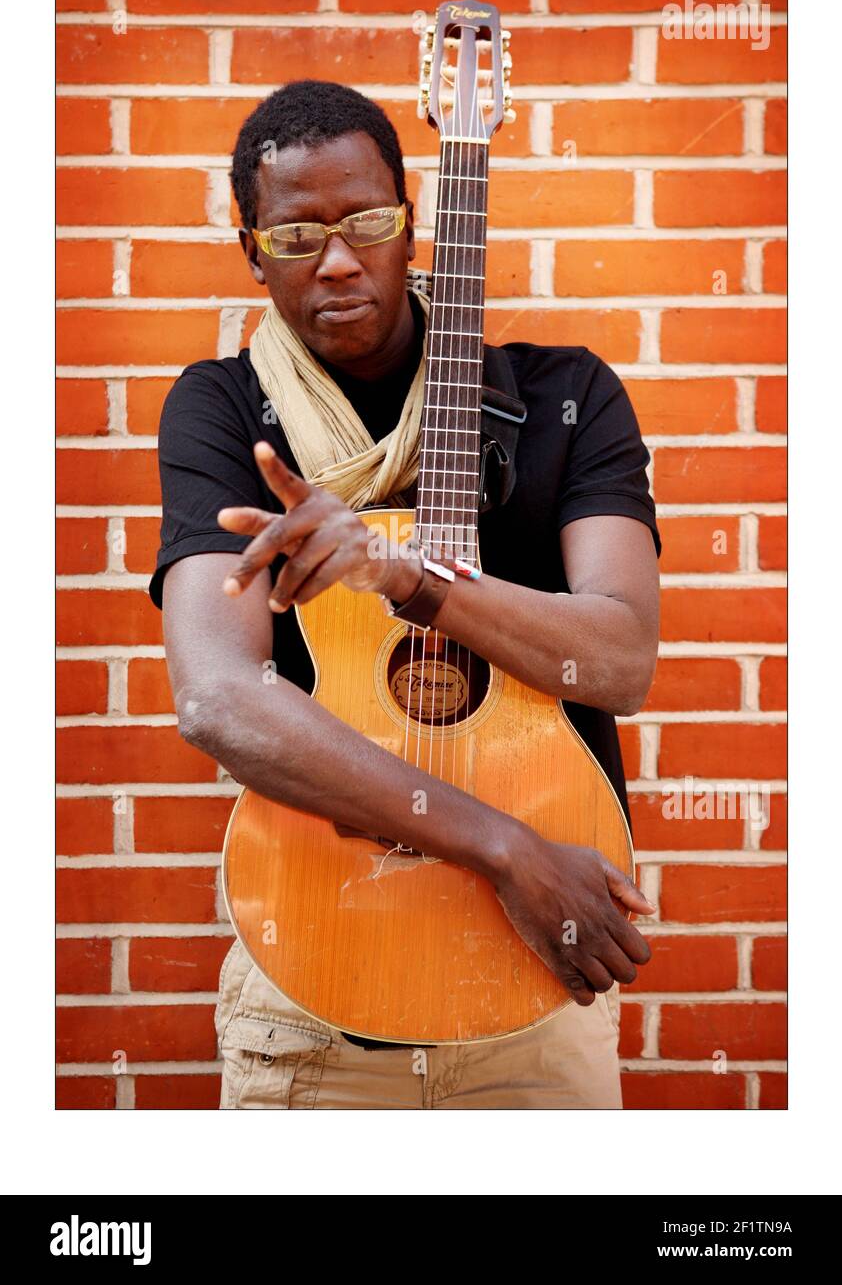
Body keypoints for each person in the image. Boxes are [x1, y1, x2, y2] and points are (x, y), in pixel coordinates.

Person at [149, 80, 662, 1110]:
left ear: (413, 226)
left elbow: (616, 662)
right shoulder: (222, 412)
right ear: (252, 253)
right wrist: (505, 848)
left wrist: (402, 574)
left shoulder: (567, 398)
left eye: (364, 223)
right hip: (308, 996)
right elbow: (216, 696)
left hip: (531, 997)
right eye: (294, 235)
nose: (336, 259)